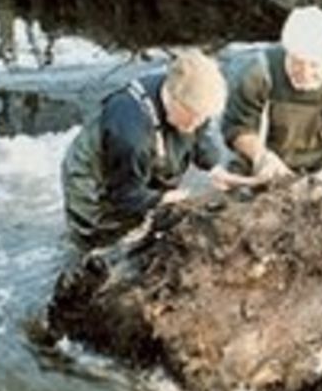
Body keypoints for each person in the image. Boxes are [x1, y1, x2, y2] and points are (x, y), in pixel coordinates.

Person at [60, 49, 242, 251]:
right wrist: (164, 198)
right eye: (196, 116)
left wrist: (214, 168)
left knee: (149, 224)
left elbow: (200, 138)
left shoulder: (193, 100)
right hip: (95, 175)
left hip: (142, 155)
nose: (199, 123)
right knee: (100, 241)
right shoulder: (132, 134)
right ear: (174, 99)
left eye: (204, 117)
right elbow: (124, 195)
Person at [221, 6, 322, 181]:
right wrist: (262, 158)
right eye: (296, 63)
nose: (305, 73)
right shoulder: (258, 73)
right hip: (264, 161)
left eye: (314, 65)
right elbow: (236, 127)